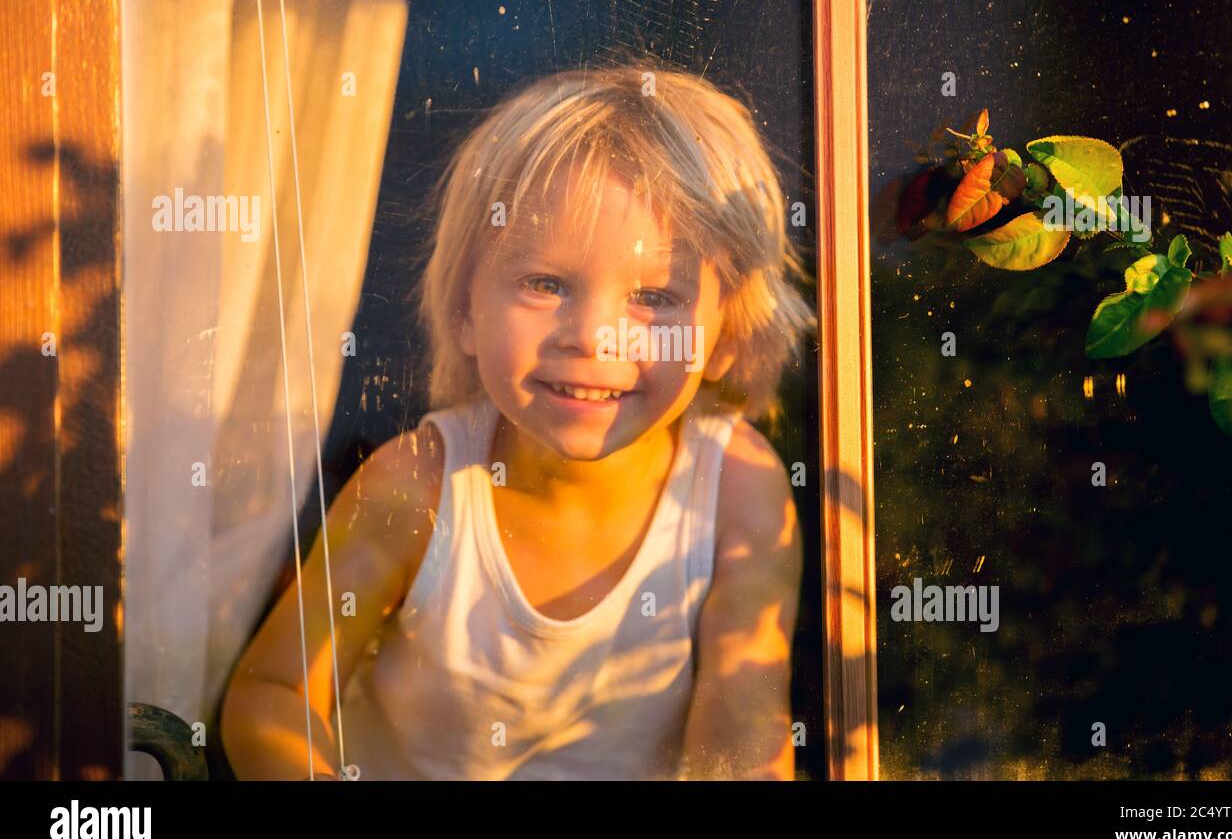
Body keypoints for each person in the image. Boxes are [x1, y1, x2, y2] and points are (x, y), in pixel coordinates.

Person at [220, 63, 814, 780]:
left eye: (654, 295)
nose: (593, 336)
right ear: (466, 310)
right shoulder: (419, 485)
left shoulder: (739, 492)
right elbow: (272, 692)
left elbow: (742, 741)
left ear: (724, 337)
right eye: (545, 283)